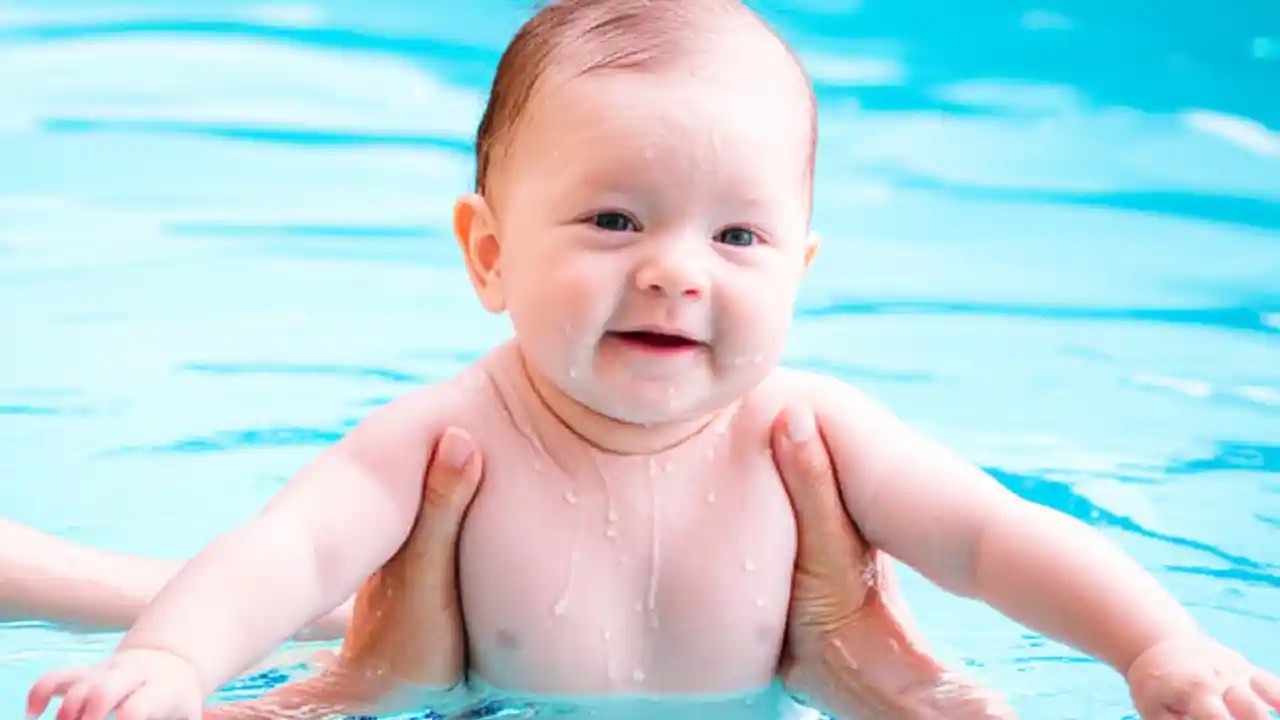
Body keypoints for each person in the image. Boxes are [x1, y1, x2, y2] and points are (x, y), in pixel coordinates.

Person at [25, 1, 1280, 719]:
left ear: (799, 271)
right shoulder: (443, 434)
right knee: (315, 608)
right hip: (470, 703)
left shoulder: (816, 432)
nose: (678, 270)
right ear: (489, 255)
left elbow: (995, 541)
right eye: (614, 220)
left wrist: (1152, 649)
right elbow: (283, 548)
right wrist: (170, 668)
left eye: (738, 235)